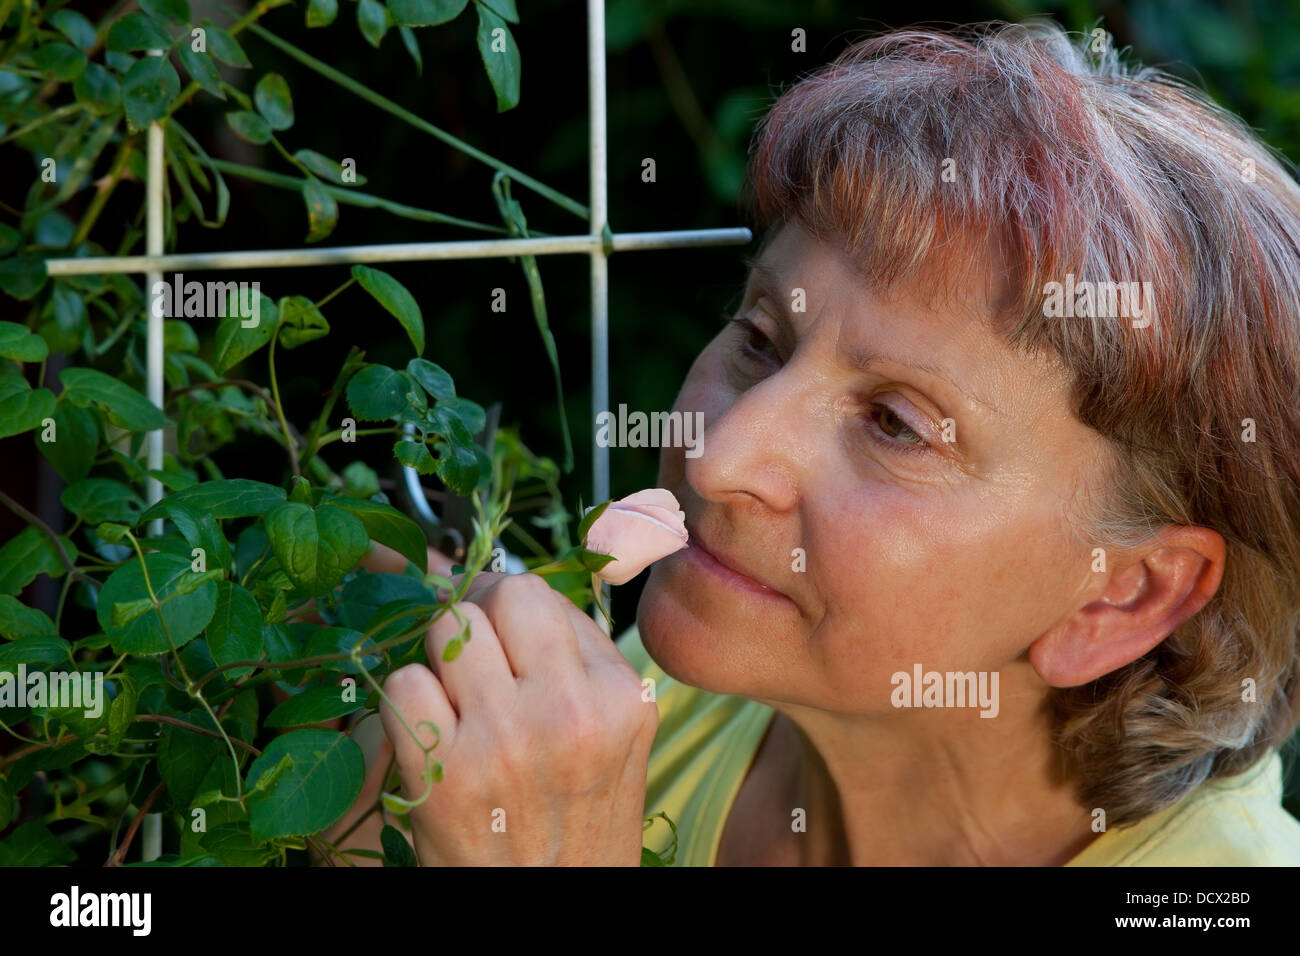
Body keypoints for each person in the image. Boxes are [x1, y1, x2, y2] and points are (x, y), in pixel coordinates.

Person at [325, 20, 1300, 866]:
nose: (717, 458)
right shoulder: (670, 703)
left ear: (1126, 591)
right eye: (759, 339)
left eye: (893, 424)